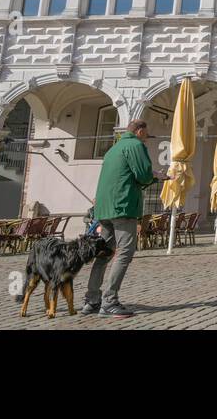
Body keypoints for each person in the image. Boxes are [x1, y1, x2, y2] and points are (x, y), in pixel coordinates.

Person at [83, 119, 165, 318]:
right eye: (145, 133)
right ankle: (109, 301)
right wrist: (157, 176)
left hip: (104, 207)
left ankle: (91, 300)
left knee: (104, 254)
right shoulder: (136, 145)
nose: (146, 138)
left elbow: (124, 174)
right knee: (125, 251)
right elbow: (143, 176)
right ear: (139, 131)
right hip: (123, 206)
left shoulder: (114, 148)